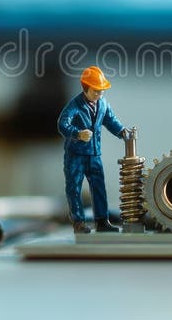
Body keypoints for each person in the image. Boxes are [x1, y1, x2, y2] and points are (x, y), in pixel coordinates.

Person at [57, 66, 129, 233]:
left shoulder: (103, 104)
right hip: (76, 155)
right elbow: (63, 124)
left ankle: (102, 221)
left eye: (102, 90)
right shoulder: (74, 105)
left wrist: (121, 131)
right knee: (74, 188)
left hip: (94, 154)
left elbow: (110, 120)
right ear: (86, 88)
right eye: (96, 90)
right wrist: (77, 134)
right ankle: (79, 222)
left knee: (99, 188)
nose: (99, 94)